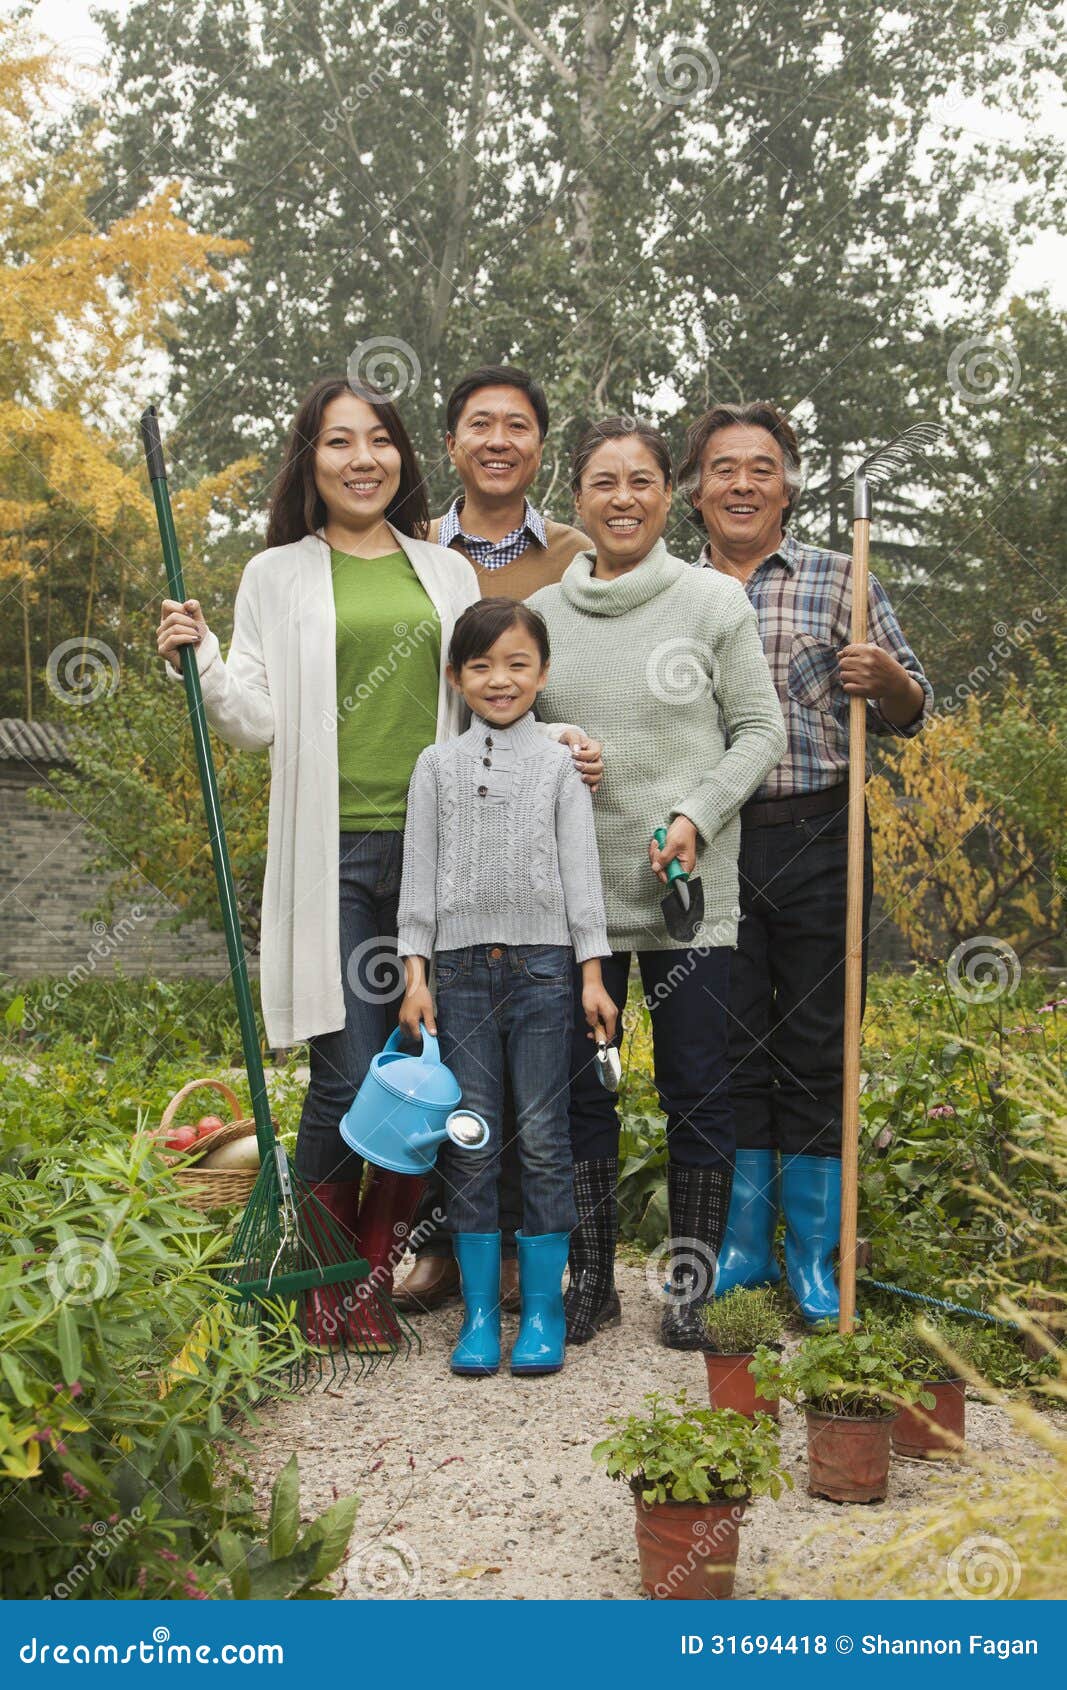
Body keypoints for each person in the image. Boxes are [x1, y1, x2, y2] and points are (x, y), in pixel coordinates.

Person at [155, 374, 599, 1345]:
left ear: (401, 455)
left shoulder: (440, 571)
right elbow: (254, 721)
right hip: (335, 857)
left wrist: (554, 746)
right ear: (309, 463)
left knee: (426, 1080)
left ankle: (369, 1278)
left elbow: (491, 687)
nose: (362, 458)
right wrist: (200, 662)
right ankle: (325, 1273)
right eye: (337, 442)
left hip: (443, 858)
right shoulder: (276, 574)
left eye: (378, 441)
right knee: (347, 1073)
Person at [528, 418, 787, 1349]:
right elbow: (509, 725)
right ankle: (590, 1279)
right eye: (604, 483)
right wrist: (552, 741)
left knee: (695, 1089)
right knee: (576, 1089)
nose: (624, 498)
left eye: (641, 481)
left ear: (665, 497)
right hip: (574, 899)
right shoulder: (545, 620)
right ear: (579, 501)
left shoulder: (711, 602)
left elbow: (759, 731)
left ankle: (688, 1286)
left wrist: (694, 815)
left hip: (684, 888)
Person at [678, 400, 933, 1323]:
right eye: (721, 469)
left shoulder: (840, 577)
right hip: (713, 840)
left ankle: (814, 1258)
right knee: (732, 1039)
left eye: (760, 467)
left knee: (820, 1039)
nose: (741, 483)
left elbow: (912, 706)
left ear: (789, 482)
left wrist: (887, 681)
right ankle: (744, 1246)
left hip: (822, 832)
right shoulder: (672, 589)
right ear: (693, 490)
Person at [397, 363, 595, 1316]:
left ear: (539, 445)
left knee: (549, 1113)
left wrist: (572, 739)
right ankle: (456, 1266)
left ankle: (550, 1279)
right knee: (461, 1103)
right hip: (450, 826)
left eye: (518, 425)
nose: (498, 440)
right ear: (451, 442)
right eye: (480, 424)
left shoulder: (571, 553)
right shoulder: (418, 554)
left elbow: (580, 671)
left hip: (545, 871)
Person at [396, 597, 616, 1376]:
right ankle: (481, 1316)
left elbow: (579, 873)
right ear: (455, 678)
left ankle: (544, 1312)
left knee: (545, 1136)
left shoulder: (559, 763)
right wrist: (413, 974)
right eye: (482, 666)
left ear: (542, 673)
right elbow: (415, 877)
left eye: (517, 664)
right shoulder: (436, 767)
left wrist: (593, 972)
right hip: (455, 973)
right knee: (472, 1138)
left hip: (544, 971)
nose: (500, 679)